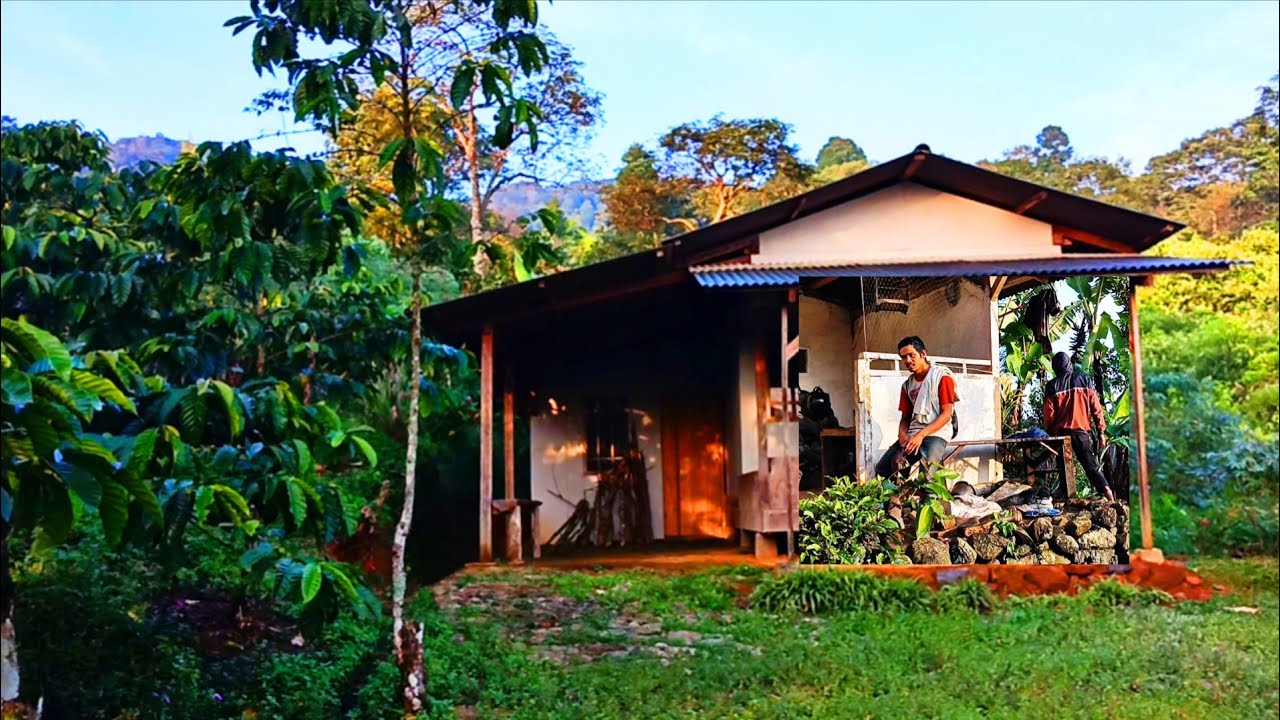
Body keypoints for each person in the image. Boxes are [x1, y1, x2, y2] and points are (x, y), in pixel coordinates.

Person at [875, 336, 959, 482]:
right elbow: (905, 417)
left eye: (911, 355)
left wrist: (920, 436)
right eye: (904, 357)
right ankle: (898, 496)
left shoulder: (941, 377)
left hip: (936, 432)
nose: (908, 360)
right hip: (914, 432)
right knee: (884, 469)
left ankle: (932, 496)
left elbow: (946, 415)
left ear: (923, 354)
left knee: (926, 477)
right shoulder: (907, 386)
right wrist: (902, 435)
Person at [1043, 352, 1115, 502]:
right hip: (1081, 433)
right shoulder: (1085, 380)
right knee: (1091, 467)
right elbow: (1097, 409)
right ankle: (1108, 493)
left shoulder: (1052, 386)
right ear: (1069, 364)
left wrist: (1051, 432)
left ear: (1055, 367)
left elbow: (1049, 416)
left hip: (1062, 435)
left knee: (1064, 469)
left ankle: (1068, 500)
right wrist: (1101, 432)